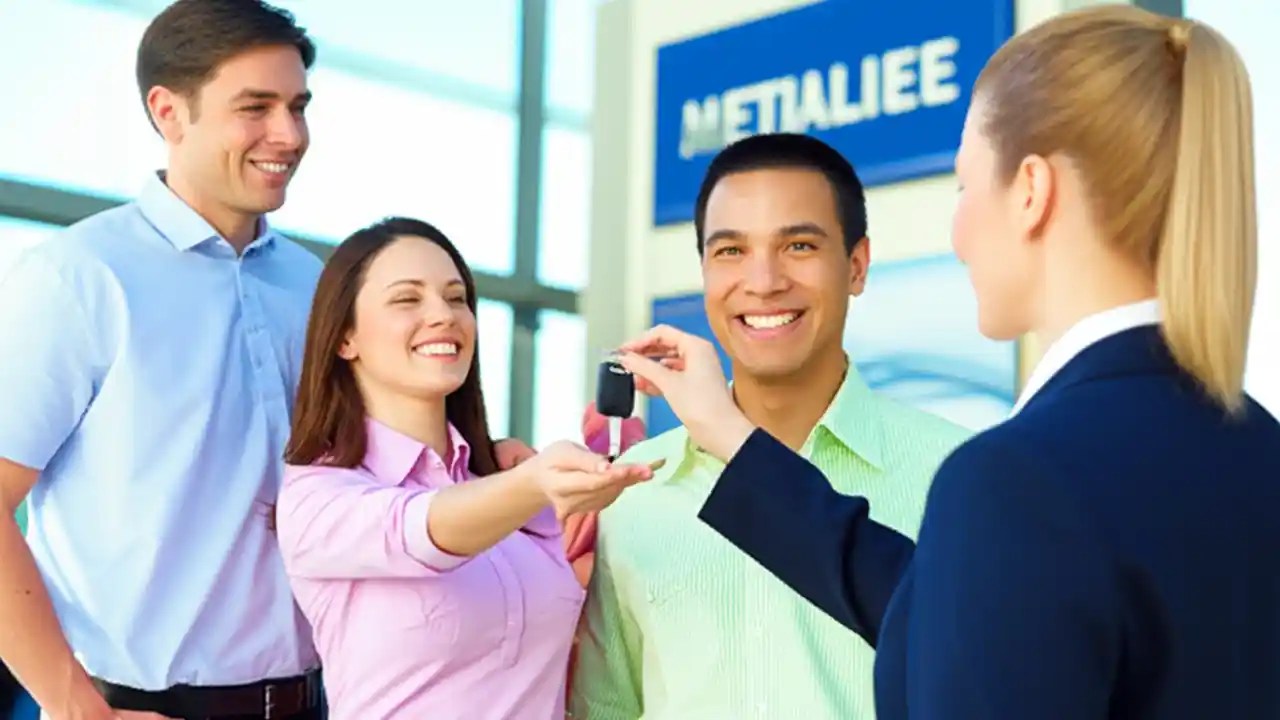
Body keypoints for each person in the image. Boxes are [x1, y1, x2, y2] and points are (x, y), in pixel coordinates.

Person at [616, 7, 1280, 720]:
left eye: (965, 187)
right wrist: (732, 439)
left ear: (1031, 192)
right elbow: (945, 616)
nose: (958, 232)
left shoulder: (1016, 478)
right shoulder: (1256, 447)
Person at [569, 134, 971, 719]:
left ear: (856, 265)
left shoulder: (953, 476)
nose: (763, 281)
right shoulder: (633, 491)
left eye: (799, 245)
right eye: (731, 251)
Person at [273, 217, 654, 720]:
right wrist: (532, 484)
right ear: (345, 337)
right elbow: (423, 528)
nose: (443, 315)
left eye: (456, 298)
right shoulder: (319, 497)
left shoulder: (507, 489)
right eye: (407, 299)